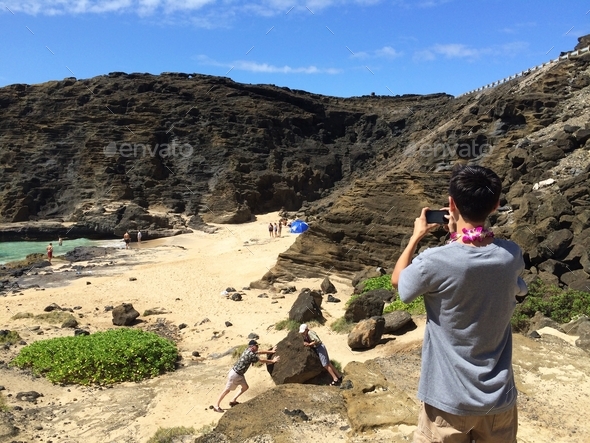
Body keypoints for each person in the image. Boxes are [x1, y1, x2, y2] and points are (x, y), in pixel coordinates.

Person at [390, 165, 527, 443]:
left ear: (451, 205)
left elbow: (399, 282)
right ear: (496, 206)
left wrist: (417, 236)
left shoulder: (434, 261)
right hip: (498, 401)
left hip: (447, 402)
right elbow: (489, 275)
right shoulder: (511, 255)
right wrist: (457, 236)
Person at [214, 340, 279, 413]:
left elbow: (259, 352)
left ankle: (233, 400)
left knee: (245, 387)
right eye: (256, 346)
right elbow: (261, 360)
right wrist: (273, 361)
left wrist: (271, 352)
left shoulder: (248, 350)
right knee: (227, 390)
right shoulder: (251, 354)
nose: (257, 347)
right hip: (235, 374)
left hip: (239, 374)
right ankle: (216, 406)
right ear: (252, 347)